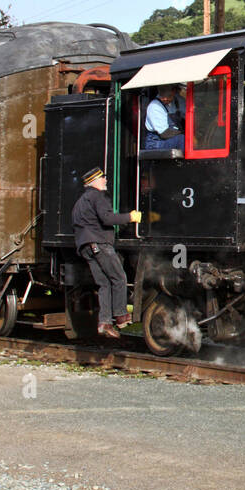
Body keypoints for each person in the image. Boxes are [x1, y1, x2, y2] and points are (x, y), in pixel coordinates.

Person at [71, 167, 141, 337]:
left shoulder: (81, 201)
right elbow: (107, 218)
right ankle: (121, 316)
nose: (106, 181)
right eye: (103, 178)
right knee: (119, 278)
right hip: (100, 244)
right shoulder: (98, 196)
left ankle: (104, 323)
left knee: (105, 284)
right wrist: (130, 217)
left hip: (86, 247)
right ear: (95, 182)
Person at [144, 84, 186, 150]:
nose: (165, 99)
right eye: (162, 96)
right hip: (157, 142)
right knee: (182, 140)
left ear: (174, 92)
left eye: (169, 96)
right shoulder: (154, 106)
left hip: (174, 136)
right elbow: (165, 133)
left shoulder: (179, 101)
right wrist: (188, 136)